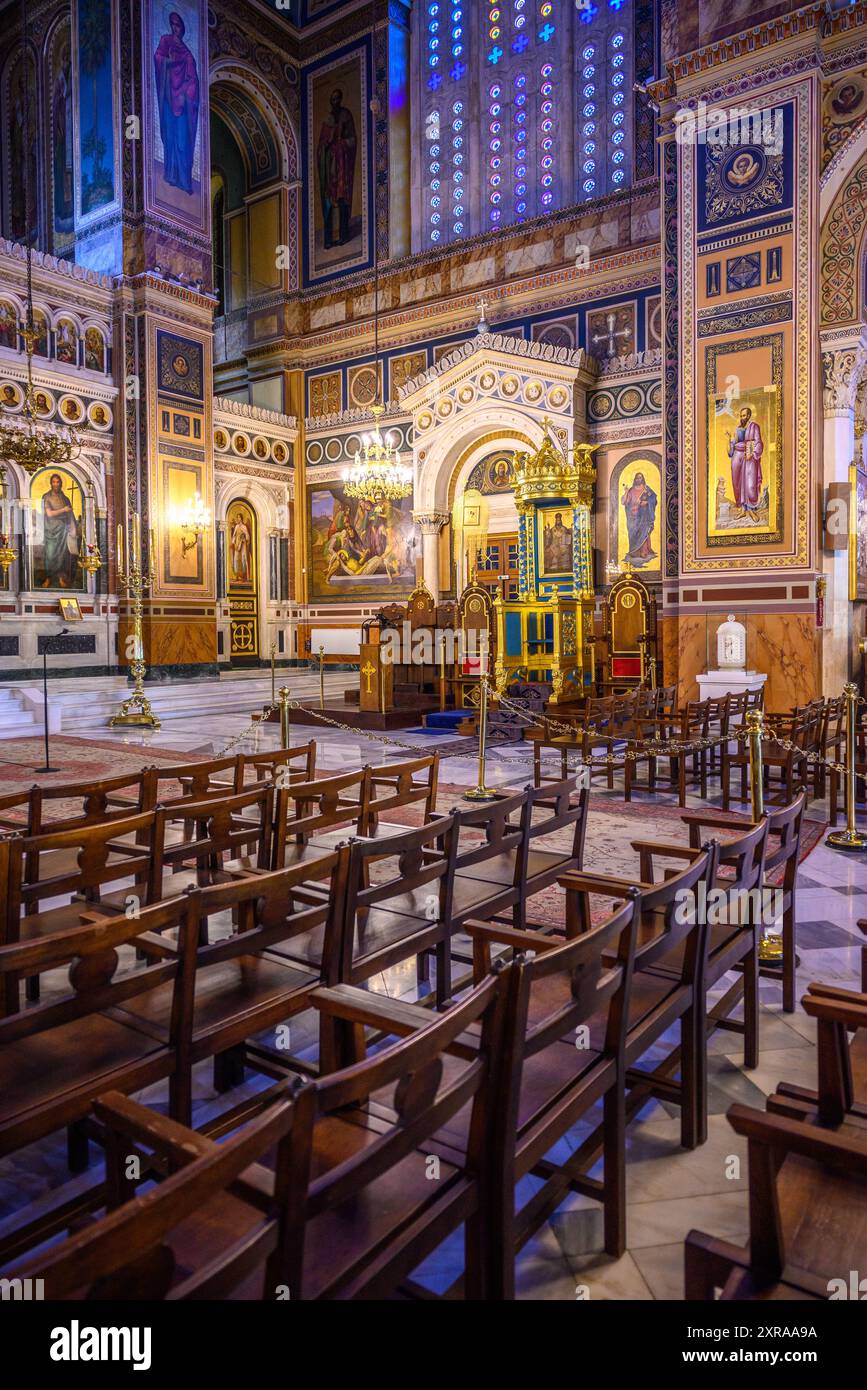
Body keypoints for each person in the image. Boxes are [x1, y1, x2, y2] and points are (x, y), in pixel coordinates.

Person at [154, 11, 200, 195]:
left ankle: (184, 179)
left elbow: (193, 81)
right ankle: (171, 175)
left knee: (182, 140)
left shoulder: (188, 55)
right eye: (172, 24)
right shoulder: (165, 41)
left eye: (178, 25)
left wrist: (185, 96)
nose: (175, 28)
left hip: (182, 103)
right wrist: (169, 62)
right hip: (167, 98)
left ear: (182, 28)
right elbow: (157, 58)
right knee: (171, 137)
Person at [317, 88, 357, 249]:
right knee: (328, 201)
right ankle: (328, 239)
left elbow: (353, 139)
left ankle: (343, 235)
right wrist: (325, 147)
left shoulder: (346, 116)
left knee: (342, 200)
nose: (335, 102)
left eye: (337, 99)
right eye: (332, 99)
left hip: (342, 165)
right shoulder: (327, 120)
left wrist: (341, 145)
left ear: (340, 99)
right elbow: (321, 145)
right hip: (329, 168)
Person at [40, 473, 79, 588]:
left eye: (58, 482)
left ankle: (61, 578)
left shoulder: (65, 498)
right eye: (54, 482)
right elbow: (49, 514)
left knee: (62, 555)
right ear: (51, 483)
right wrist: (63, 510)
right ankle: (48, 578)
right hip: (50, 530)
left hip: (63, 530)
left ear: (61, 483)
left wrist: (73, 529)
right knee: (50, 554)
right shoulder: (46, 496)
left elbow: (70, 515)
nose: (56, 484)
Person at [726, 405, 764, 520]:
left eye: (744, 415)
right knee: (738, 482)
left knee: (750, 483)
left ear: (749, 416)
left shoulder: (754, 427)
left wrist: (751, 453)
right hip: (737, 457)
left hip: (750, 458)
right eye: (741, 416)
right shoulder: (738, 429)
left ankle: (751, 510)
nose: (742, 418)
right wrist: (729, 439)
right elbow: (732, 448)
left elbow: (758, 442)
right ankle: (743, 510)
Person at [621, 471, 658, 565]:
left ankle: (644, 552)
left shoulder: (646, 489)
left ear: (643, 479)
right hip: (632, 516)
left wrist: (647, 503)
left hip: (644, 515)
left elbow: (653, 499)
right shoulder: (630, 490)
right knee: (633, 533)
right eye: (637, 478)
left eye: (640, 477)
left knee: (644, 531)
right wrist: (625, 492)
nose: (638, 479)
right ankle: (634, 552)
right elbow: (624, 502)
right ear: (634, 479)